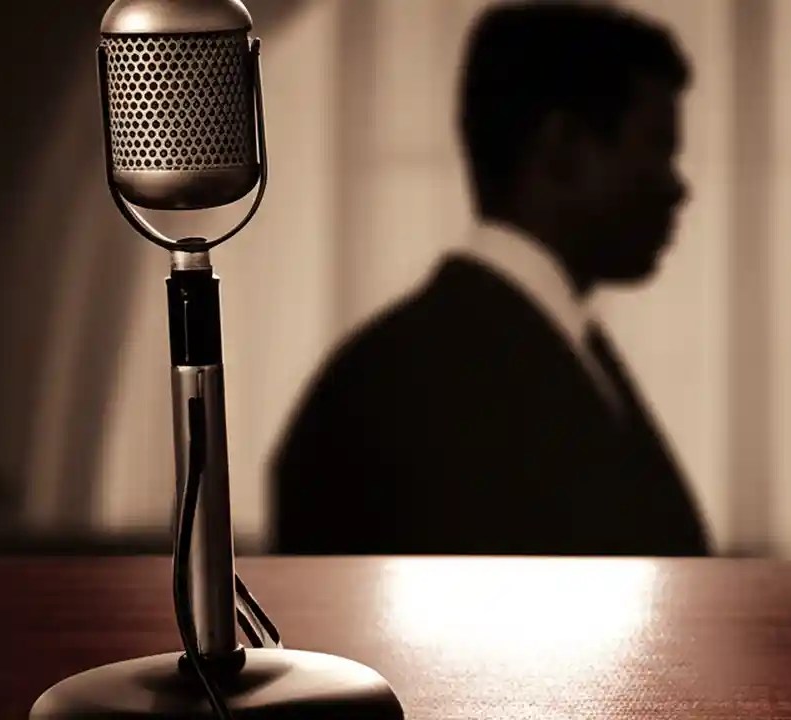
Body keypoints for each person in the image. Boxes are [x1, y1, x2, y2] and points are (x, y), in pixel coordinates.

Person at [272, 0, 709, 556]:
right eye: (660, 149)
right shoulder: (414, 385)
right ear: (566, 149)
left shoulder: (457, 354)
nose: (678, 188)